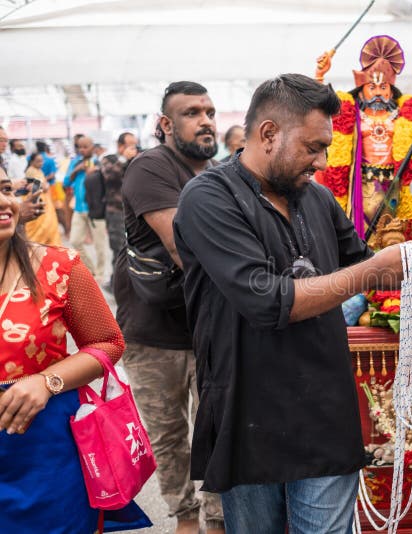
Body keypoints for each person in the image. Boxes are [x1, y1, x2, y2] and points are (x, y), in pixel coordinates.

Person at [173, 73, 412, 533]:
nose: (322, 162)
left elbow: (367, 264)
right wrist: (371, 270)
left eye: (326, 148)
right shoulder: (207, 198)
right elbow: (267, 300)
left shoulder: (318, 198)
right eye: (312, 147)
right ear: (268, 134)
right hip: (249, 413)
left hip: (324, 408)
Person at [0, 166, 149, 532]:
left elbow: (108, 342)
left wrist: (45, 381)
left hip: (45, 443)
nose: (3, 202)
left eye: (5, 188)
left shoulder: (58, 266)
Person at [113, 81, 224, 534]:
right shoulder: (150, 167)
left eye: (210, 111)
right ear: (165, 124)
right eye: (192, 112)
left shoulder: (217, 172)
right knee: (169, 434)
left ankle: (216, 518)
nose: (206, 120)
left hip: (209, 326)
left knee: (215, 427)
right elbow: (186, 247)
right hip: (152, 330)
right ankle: (184, 517)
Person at [315, 35, 412, 240]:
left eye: (383, 88)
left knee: (395, 237)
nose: (378, 93)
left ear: (391, 91)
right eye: (372, 88)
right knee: (365, 238)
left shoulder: (403, 115)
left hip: (396, 184)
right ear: (361, 92)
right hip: (362, 186)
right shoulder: (349, 113)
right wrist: (319, 76)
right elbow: (319, 107)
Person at [64, 136, 107, 281]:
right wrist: (77, 170)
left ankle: (101, 274)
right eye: (79, 147)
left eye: (85, 146)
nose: (82, 150)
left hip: (95, 209)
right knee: (75, 241)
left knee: (100, 244)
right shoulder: (75, 162)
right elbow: (66, 182)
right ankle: (91, 270)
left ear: (93, 147)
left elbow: (109, 183)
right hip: (78, 208)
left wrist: (95, 172)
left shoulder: (100, 162)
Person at [24, 152, 61, 246]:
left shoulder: (38, 170)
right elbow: (36, 187)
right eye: (38, 161)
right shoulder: (31, 171)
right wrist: (45, 186)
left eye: (42, 161)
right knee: (41, 228)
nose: (41, 163)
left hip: (45, 200)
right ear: (32, 161)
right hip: (38, 200)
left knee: (49, 225)